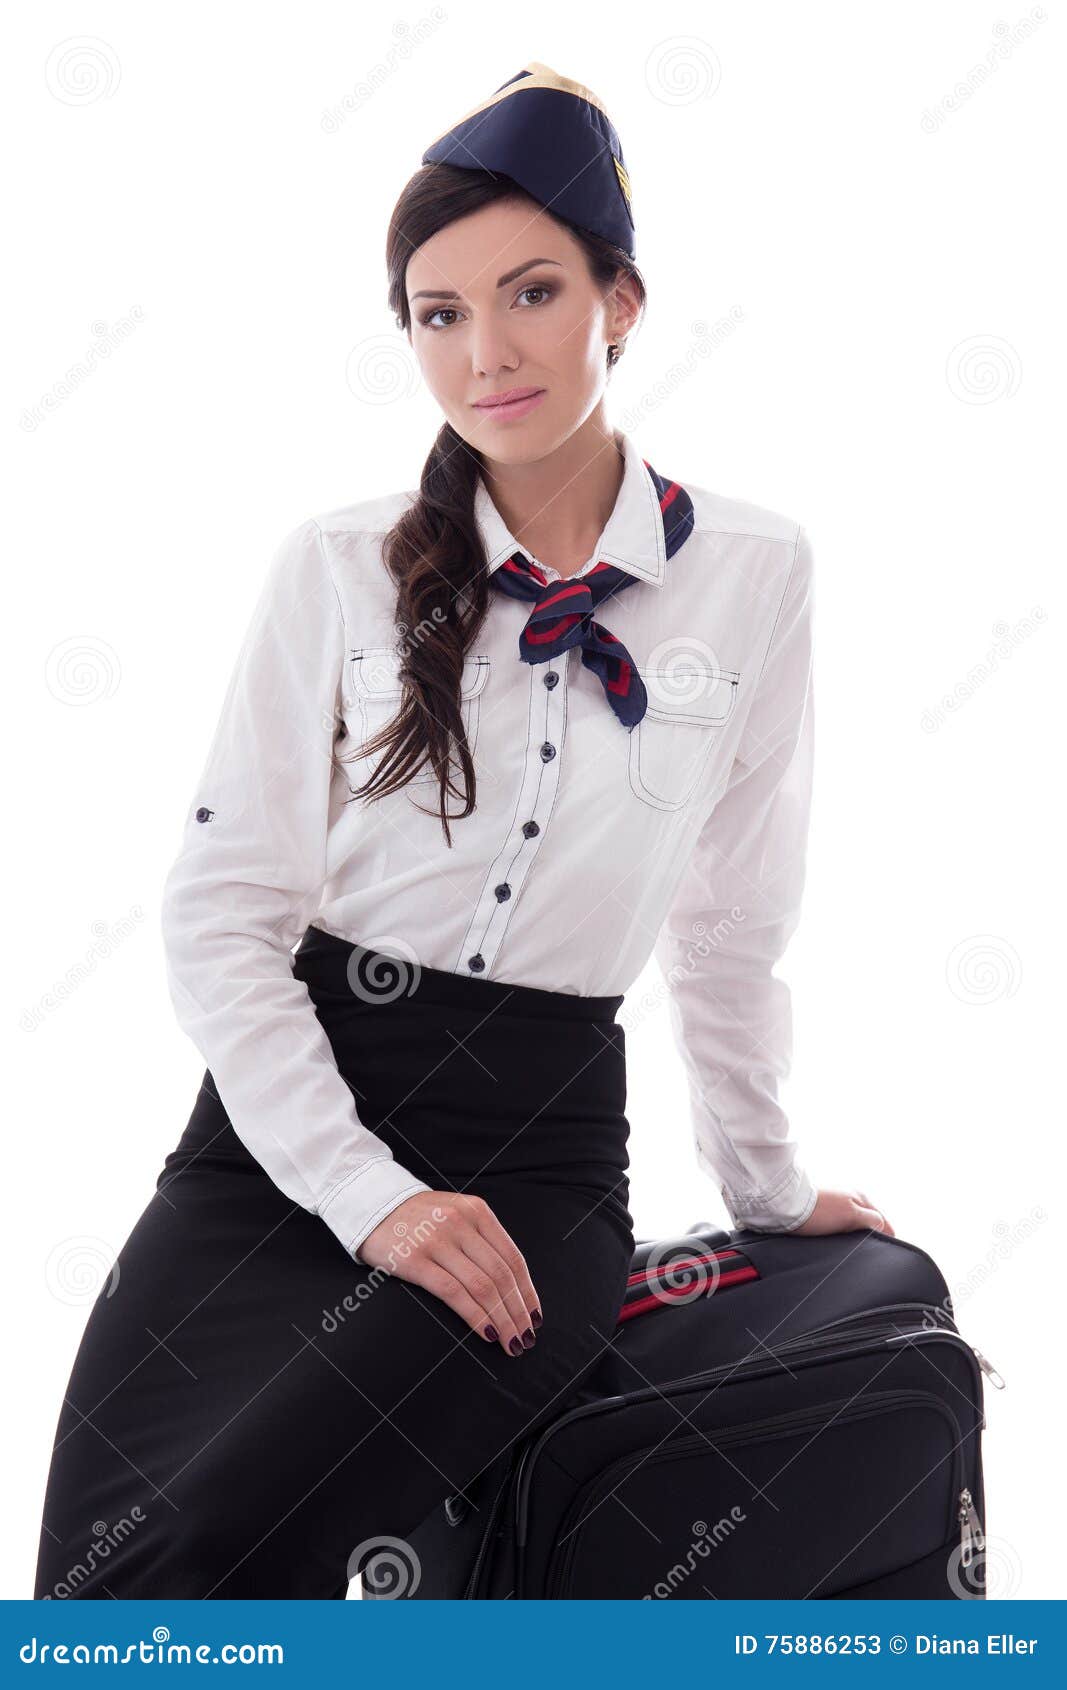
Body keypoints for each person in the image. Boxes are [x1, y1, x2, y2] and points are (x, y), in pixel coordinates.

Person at [32, 60, 891, 1601]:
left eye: (533, 291)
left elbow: (731, 921)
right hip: (277, 1146)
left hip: (533, 1161)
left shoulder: (757, 574)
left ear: (620, 300)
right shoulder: (335, 567)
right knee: (108, 1575)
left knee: (222, 1553)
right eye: (438, 313)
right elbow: (221, 916)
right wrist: (369, 1193)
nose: (485, 352)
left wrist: (766, 1187)